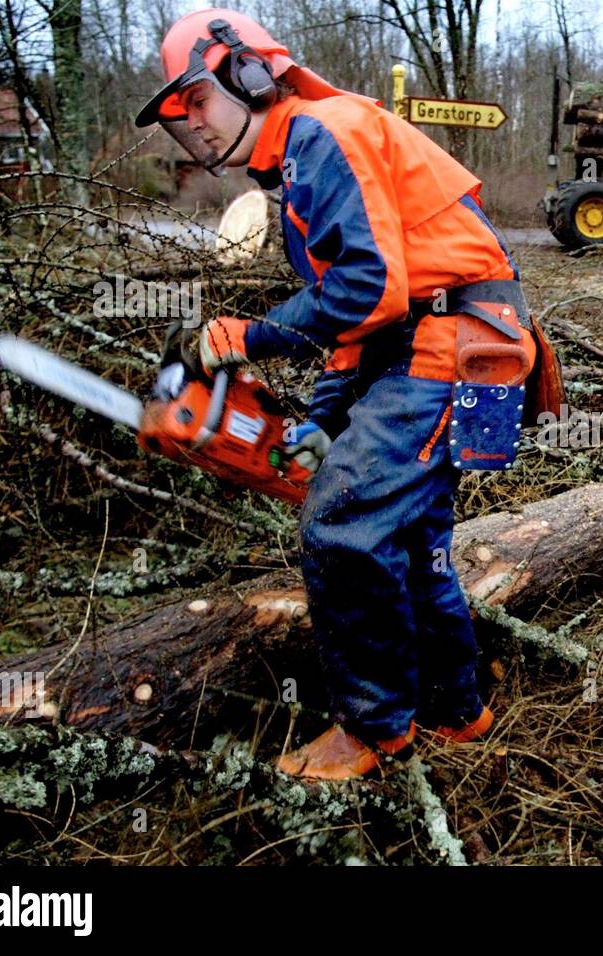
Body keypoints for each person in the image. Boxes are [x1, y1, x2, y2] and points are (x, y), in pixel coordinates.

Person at [136, 9, 563, 779]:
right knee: (411, 542)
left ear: (247, 71)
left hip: (452, 345)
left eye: (196, 99)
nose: (192, 123)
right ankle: (457, 708)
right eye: (181, 114)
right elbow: (361, 315)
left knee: (341, 523)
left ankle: (372, 728)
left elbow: (369, 291)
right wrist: (325, 421)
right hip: (449, 343)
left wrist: (241, 337)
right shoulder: (302, 164)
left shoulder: (321, 132)